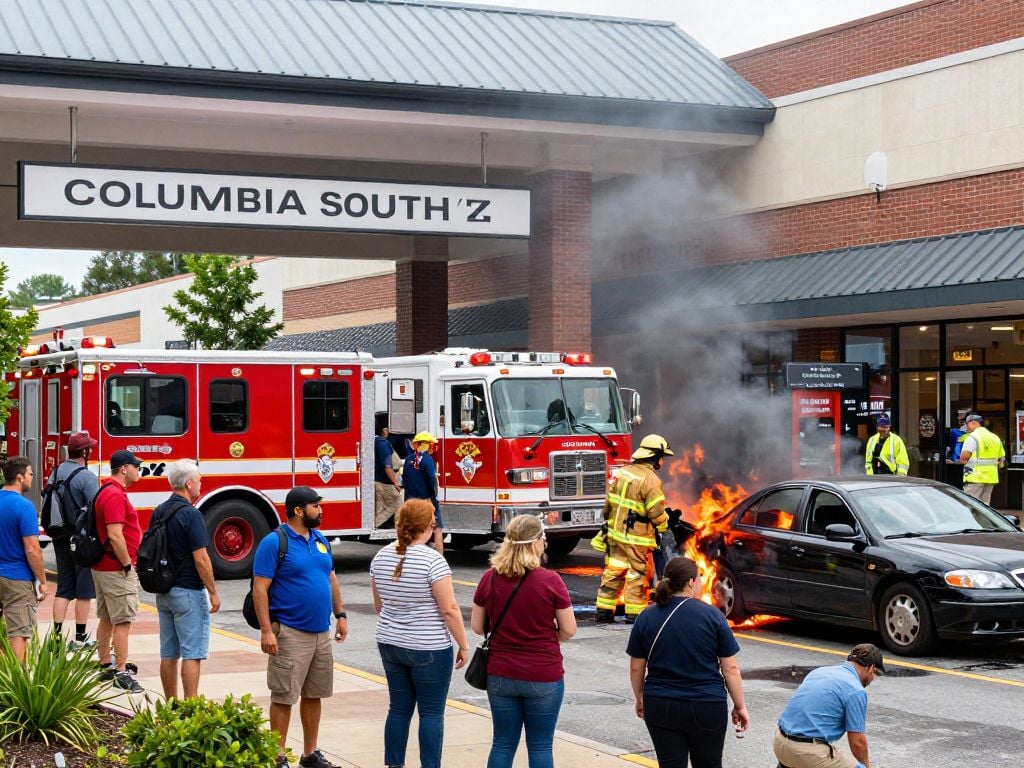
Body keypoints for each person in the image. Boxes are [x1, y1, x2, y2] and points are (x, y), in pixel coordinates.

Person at [252, 486, 348, 768]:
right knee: (283, 696)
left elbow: (331, 578)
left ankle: (309, 754)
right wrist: (266, 630)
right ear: (298, 510)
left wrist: (340, 614)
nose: (320, 510)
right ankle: (278, 756)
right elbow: (260, 589)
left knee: (314, 694)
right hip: (290, 632)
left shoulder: (320, 539)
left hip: (321, 632)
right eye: (315, 506)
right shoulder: (274, 542)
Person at [369, 499, 469, 768]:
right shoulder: (433, 561)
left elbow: (379, 606)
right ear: (427, 526)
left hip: (390, 641)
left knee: (398, 709)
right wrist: (463, 644)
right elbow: (449, 609)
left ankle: (394, 764)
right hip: (428, 646)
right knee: (431, 713)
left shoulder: (381, 557)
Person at [471, 514, 577, 768]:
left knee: (502, 743)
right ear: (535, 542)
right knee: (540, 745)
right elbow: (569, 629)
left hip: (501, 673)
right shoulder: (550, 581)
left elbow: (477, 626)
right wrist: (549, 638)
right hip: (543, 673)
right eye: (543, 538)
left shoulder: (490, 578)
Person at [626, 557, 749, 768]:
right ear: (691, 582)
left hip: (660, 703)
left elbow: (637, 666)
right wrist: (740, 706)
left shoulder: (646, 616)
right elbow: (731, 669)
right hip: (706, 704)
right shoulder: (712, 616)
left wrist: (640, 698)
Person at [151, 459, 220, 700]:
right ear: (189, 483)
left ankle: (171, 705)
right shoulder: (192, 515)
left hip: (164, 590)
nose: (201, 483)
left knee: (168, 653)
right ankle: (190, 707)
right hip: (188, 591)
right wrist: (213, 592)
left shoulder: (159, 511)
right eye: (199, 479)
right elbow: (201, 559)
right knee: (192, 653)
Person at [595, 434, 673, 623]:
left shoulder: (622, 473)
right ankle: (634, 614)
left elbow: (607, 507)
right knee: (637, 574)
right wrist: (665, 524)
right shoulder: (650, 480)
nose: (662, 462)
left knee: (613, 572)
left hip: (614, 535)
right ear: (654, 457)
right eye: (662, 457)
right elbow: (655, 512)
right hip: (636, 539)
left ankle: (603, 611)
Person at [773, 643, 885, 768]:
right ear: (871, 668)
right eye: (875, 674)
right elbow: (857, 741)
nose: (873, 678)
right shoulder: (856, 690)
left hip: (779, 743)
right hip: (805, 752)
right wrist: (866, 766)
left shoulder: (820, 671)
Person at [93, 449, 144, 693]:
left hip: (103, 565)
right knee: (122, 621)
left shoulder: (106, 490)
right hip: (115, 567)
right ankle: (121, 671)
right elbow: (115, 534)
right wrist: (126, 564)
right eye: (136, 466)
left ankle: (105, 664)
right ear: (124, 468)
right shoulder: (114, 495)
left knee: (106, 617)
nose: (138, 470)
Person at [48, 431, 99, 649]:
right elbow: (96, 508)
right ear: (84, 452)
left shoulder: (56, 472)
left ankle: (56, 637)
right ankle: (80, 637)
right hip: (81, 540)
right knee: (84, 590)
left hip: (59, 535)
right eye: (90, 448)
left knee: (64, 587)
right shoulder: (87, 477)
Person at [0, 457, 47, 662]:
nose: (32, 478)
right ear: (19, 477)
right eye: (30, 474)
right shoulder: (24, 506)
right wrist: (42, 581)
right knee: (18, 633)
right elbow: (32, 549)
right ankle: (15, 678)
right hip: (17, 578)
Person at [403, 432, 444, 553]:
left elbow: (404, 480)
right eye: (431, 444)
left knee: (413, 530)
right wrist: (434, 494)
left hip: (410, 500)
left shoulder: (408, 459)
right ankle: (440, 558)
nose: (432, 447)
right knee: (437, 529)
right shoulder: (427, 459)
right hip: (426, 500)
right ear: (425, 445)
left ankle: (409, 556)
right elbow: (432, 479)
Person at [959, 412, 1006, 504]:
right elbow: (1002, 461)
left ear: (973, 422)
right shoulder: (995, 437)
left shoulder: (972, 437)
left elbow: (963, 458)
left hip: (974, 477)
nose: (966, 427)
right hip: (991, 477)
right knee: (985, 506)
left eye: (966, 424)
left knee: (971, 505)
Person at [374, 414, 402, 529]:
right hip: (385, 482)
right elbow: (387, 466)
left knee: (380, 507)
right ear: (385, 430)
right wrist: (395, 482)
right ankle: (376, 524)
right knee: (396, 504)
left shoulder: (374, 441)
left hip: (378, 480)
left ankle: (373, 527)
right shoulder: (382, 443)